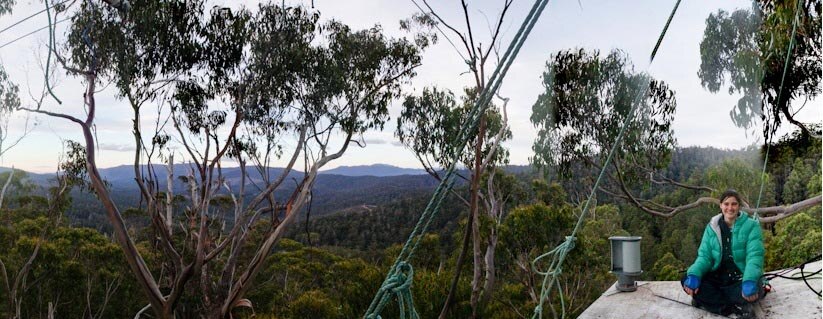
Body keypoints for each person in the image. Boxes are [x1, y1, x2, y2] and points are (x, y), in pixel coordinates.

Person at [681, 189, 765, 318]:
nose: (730, 208)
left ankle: (711, 302)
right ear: (721, 205)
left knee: (756, 288)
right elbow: (705, 256)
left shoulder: (752, 226)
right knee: (686, 279)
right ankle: (733, 308)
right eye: (726, 204)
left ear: (739, 206)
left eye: (734, 204)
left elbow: (754, 257)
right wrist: (695, 275)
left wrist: (749, 281)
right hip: (718, 278)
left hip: (739, 278)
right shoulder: (712, 227)